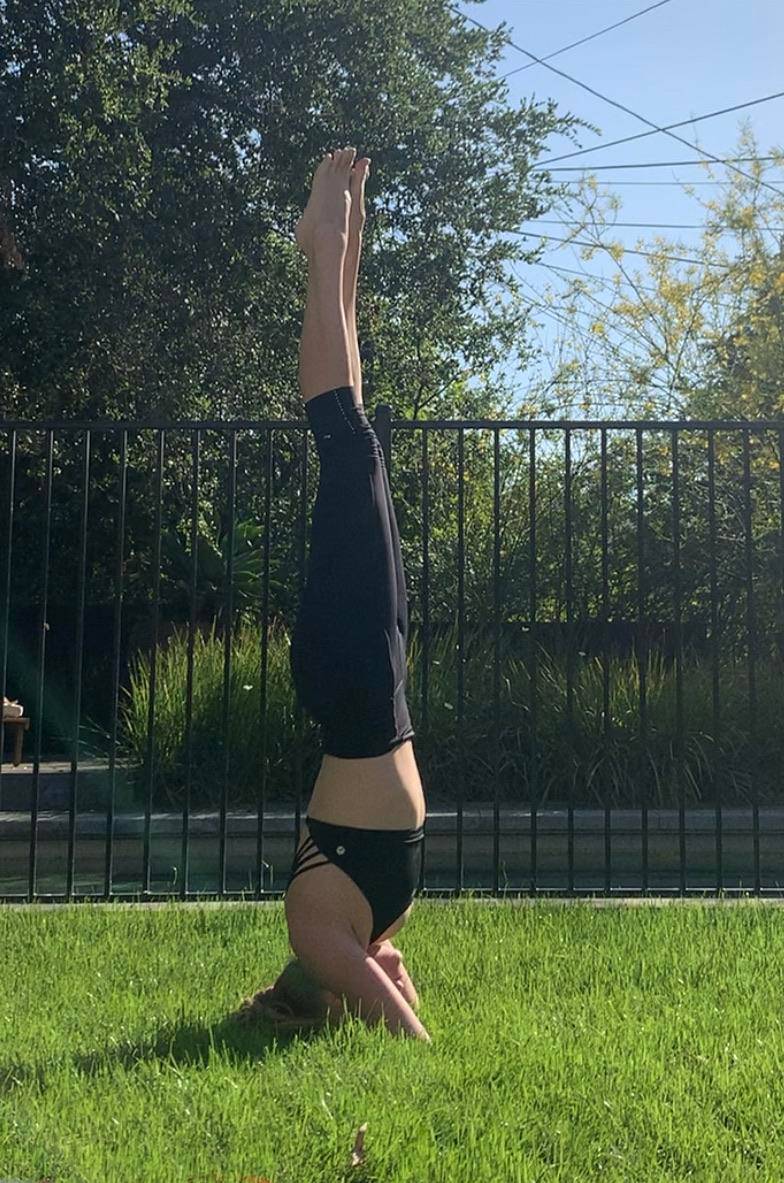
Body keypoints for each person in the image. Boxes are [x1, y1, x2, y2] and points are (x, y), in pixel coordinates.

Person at [235, 148, 430, 1042]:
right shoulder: (337, 929)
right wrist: (378, 970)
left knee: (349, 445)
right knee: (355, 438)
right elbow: (397, 1005)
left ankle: (327, 249)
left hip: (355, 698)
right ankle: (337, 252)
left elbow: (398, 1013)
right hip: (370, 696)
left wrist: (374, 973)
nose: (382, 967)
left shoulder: (320, 928)